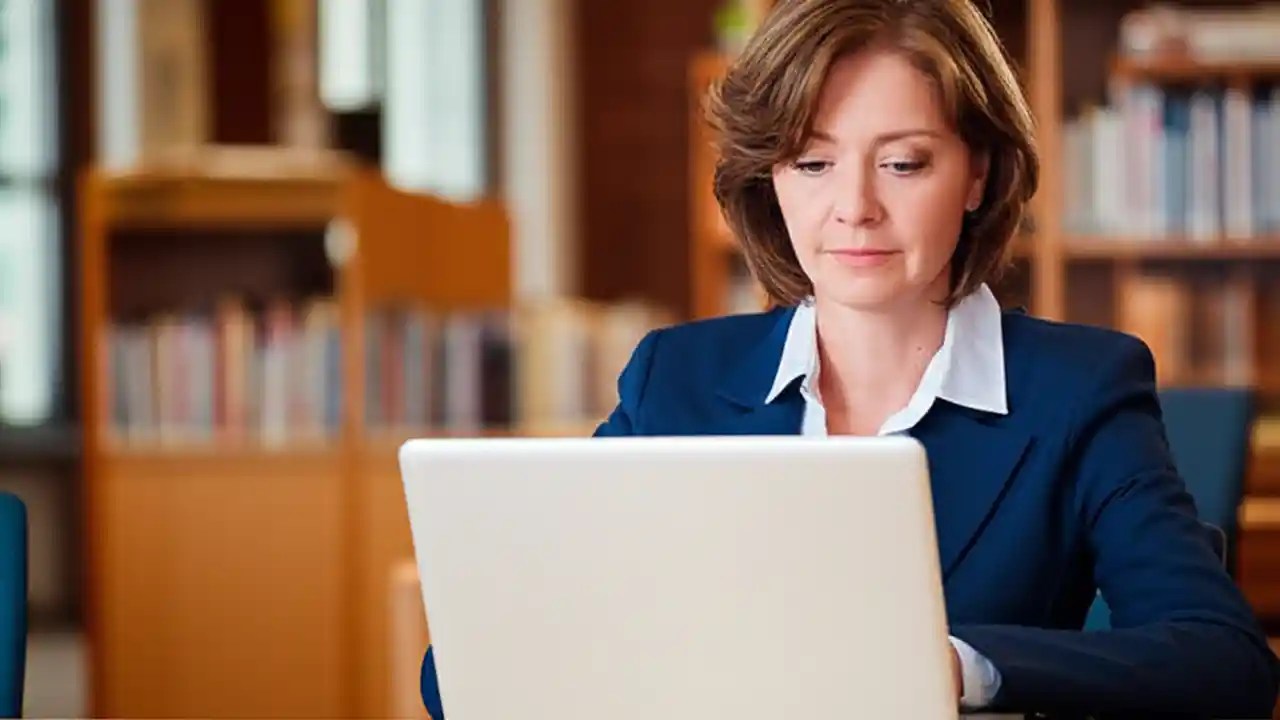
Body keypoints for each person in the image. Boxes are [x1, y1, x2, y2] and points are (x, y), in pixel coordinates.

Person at [422, 0, 1279, 716]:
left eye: (903, 163)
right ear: (771, 178)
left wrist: (959, 667)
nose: (855, 207)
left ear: (978, 175)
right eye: (814, 162)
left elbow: (1224, 663)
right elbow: (457, 674)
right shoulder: (673, 380)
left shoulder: (1079, 390)